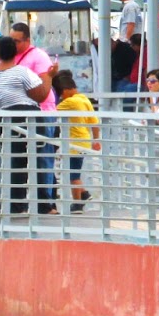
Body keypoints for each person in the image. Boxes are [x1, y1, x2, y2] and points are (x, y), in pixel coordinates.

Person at [0, 37, 51, 215]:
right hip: (26, 119)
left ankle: (15, 204)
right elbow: (41, 95)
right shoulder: (22, 72)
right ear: (15, 52)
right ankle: (41, 203)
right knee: (36, 161)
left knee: (14, 161)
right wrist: (50, 77)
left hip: (1, 120)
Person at [52, 69, 97, 212]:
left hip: (74, 142)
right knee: (74, 171)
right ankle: (83, 194)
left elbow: (50, 110)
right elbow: (94, 121)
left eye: (61, 94)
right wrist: (96, 140)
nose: (61, 97)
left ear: (65, 90)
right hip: (84, 139)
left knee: (73, 174)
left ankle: (77, 202)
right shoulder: (84, 99)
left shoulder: (70, 102)